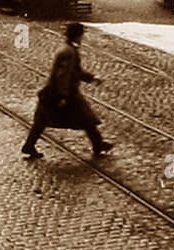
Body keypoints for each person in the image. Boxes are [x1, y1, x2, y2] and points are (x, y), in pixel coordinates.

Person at [20, 22, 112, 159]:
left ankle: (98, 144)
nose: (82, 38)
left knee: (44, 120)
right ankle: (98, 144)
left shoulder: (68, 49)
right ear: (77, 36)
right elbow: (62, 75)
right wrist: (63, 96)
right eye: (82, 35)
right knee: (85, 118)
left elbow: (75, 72)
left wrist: (92, 78)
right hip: (62, 93)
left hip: (59, 91)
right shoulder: (68, 52)